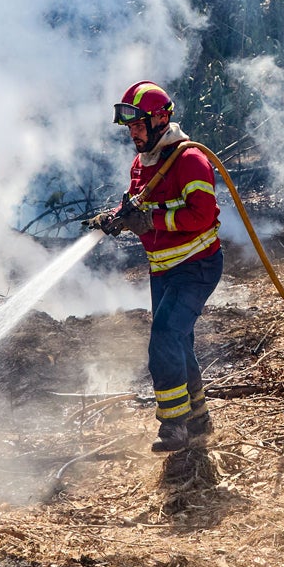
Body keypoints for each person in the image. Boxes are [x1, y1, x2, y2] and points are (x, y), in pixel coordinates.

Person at [88, 81, 223, 454]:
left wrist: (153, 223)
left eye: (139, 125)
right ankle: (198, 420)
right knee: (179, 340)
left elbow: (202, 213)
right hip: (163, 269)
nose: (133, 134)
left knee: (164, 339)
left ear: (161, 119)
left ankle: (174, 428)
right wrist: (116, 217)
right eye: (129, 128)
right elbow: (139, 204)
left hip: (196, 267)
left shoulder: (189, 160)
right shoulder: (142, 163)